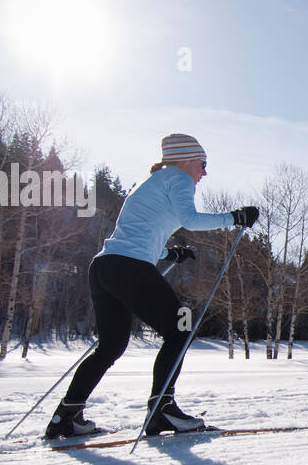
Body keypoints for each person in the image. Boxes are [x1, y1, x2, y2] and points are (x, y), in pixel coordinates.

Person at [45, 133, 258, 439]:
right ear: (187, 159)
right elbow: (190, 219)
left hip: (105, 266)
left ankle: (66, 416)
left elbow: (138, 236)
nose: (205, 172)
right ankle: (162, 410)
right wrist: (235, 217)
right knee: (180, 330)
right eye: (203, 163)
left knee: (110, 346)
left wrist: (169, 253)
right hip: (129, 267)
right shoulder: (179, 178)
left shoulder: (152, 184)